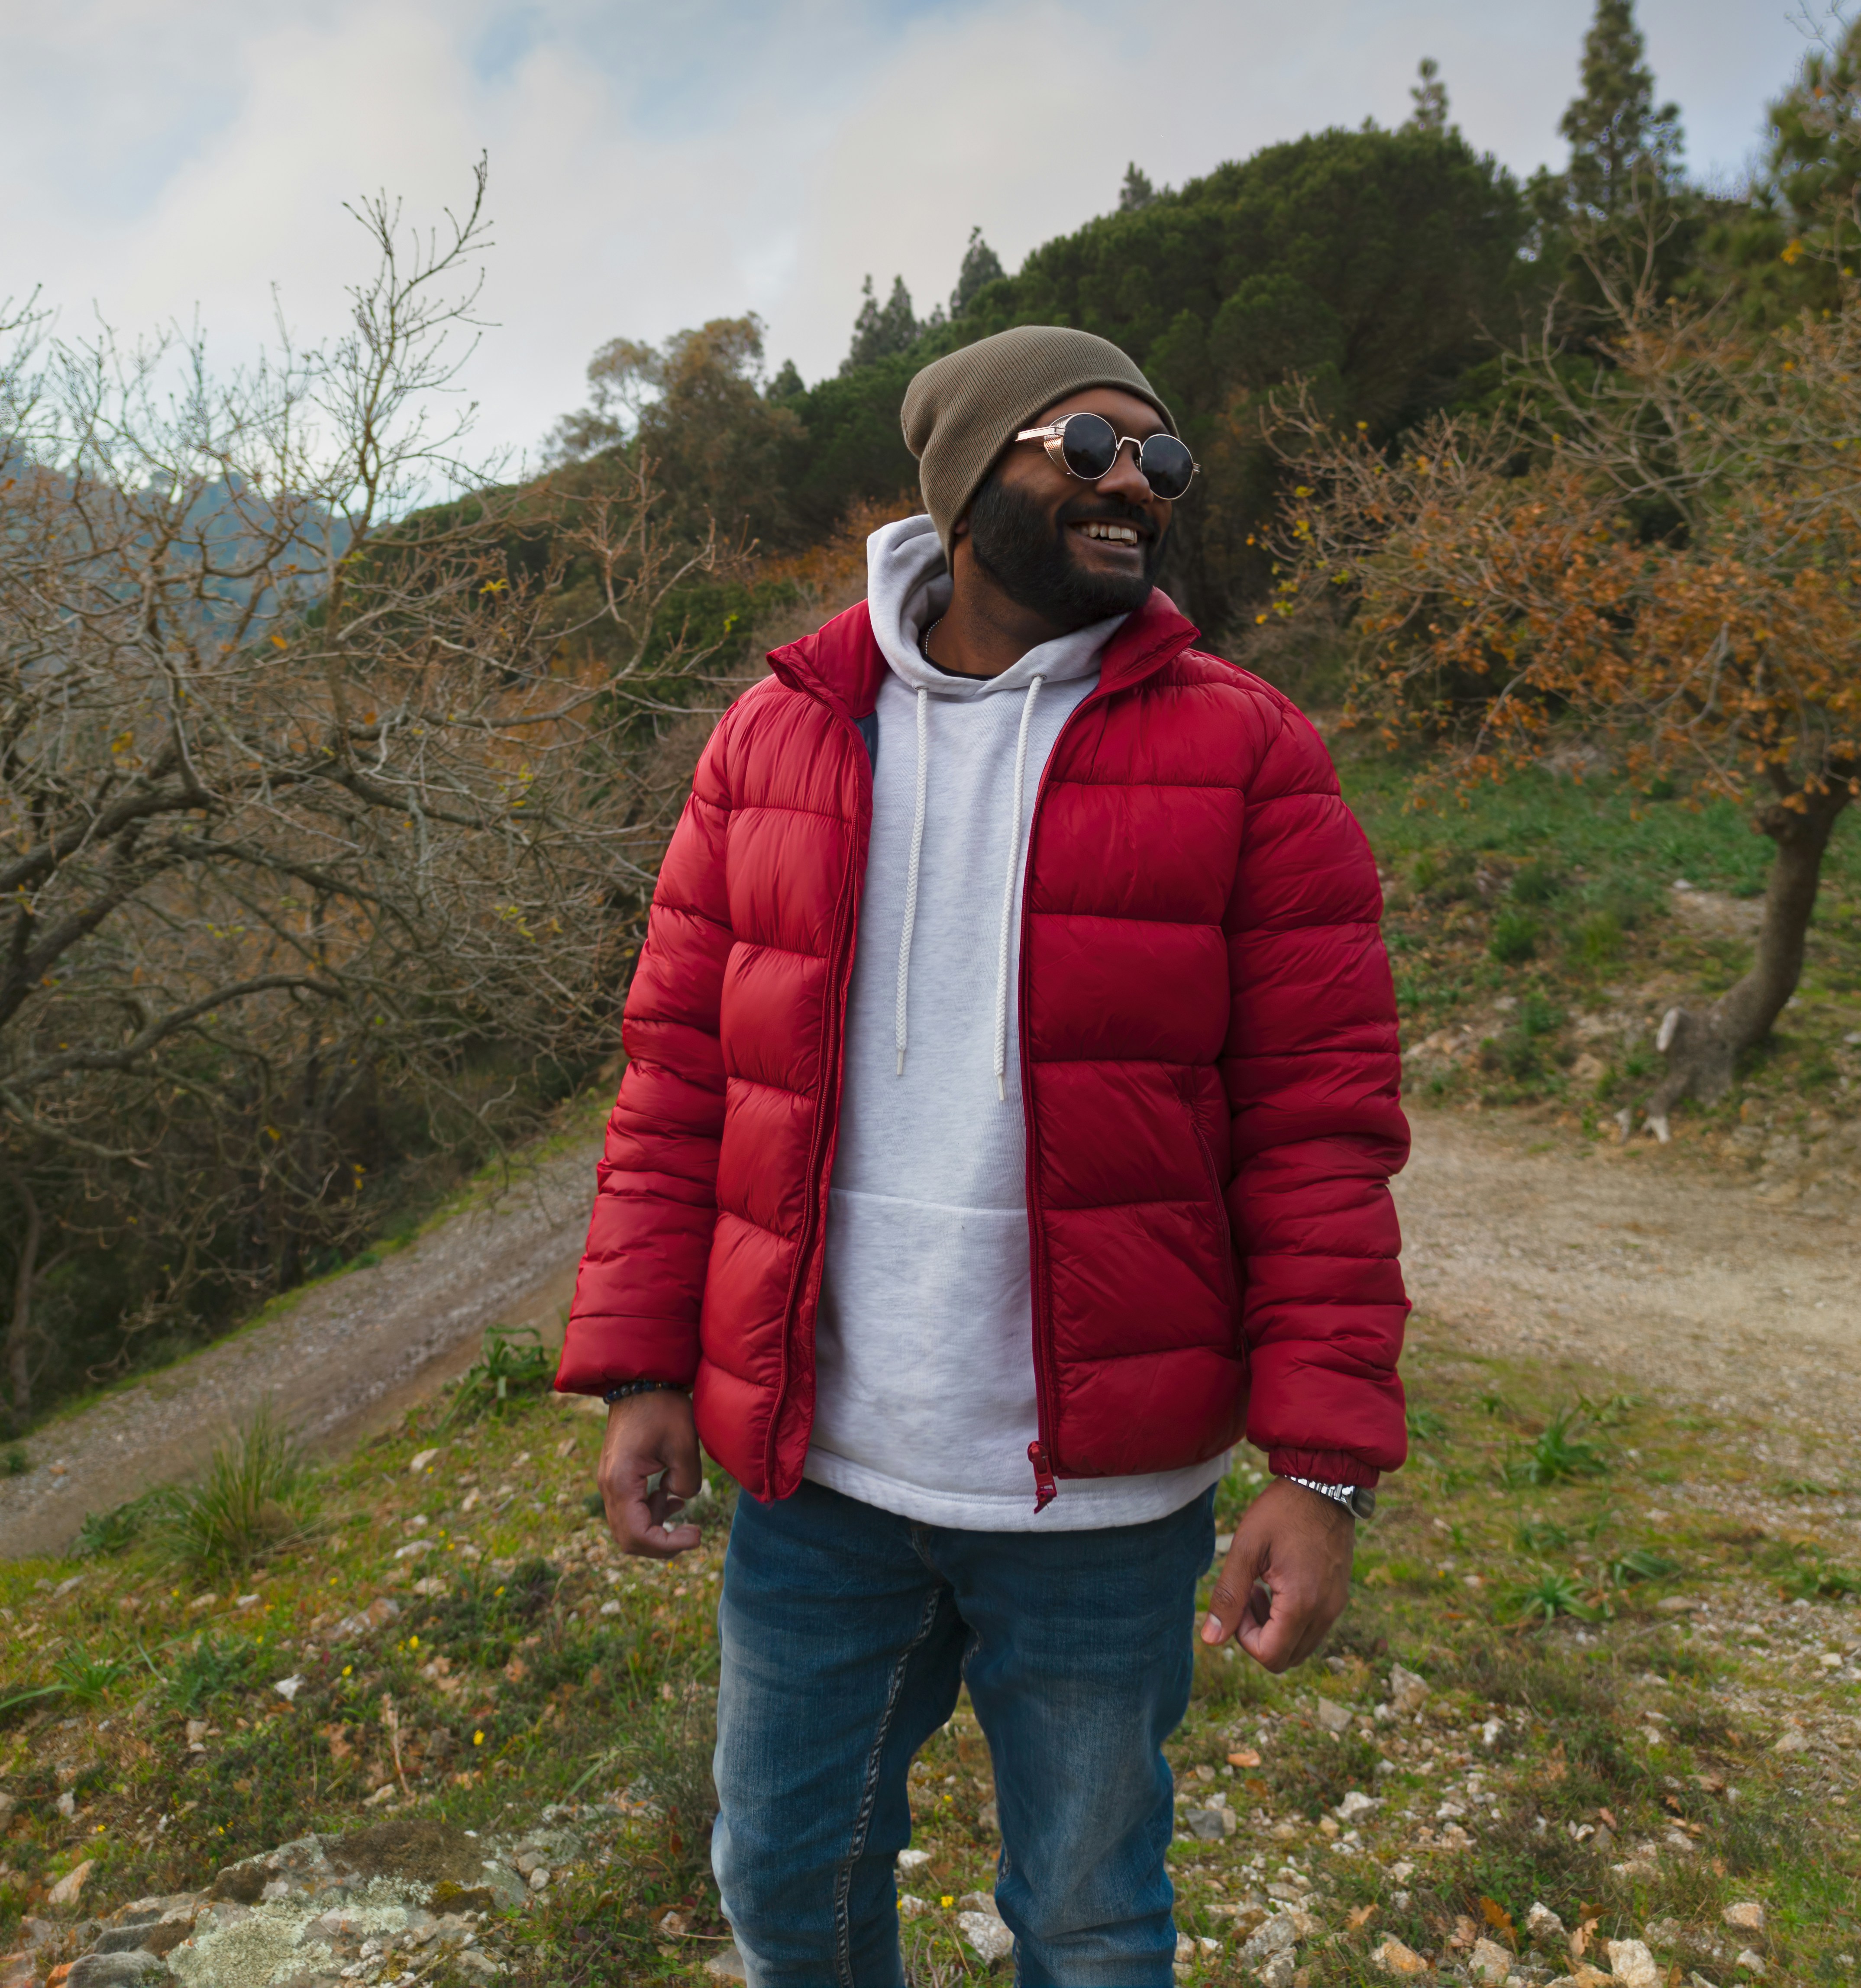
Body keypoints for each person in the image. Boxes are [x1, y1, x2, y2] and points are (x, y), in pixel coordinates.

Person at [556, 323, 1410, 1988]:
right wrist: (644, 1365)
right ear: (962, 482)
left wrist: (1322, 1474)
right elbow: (677, 1082)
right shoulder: (774, 740)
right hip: (822, 1479)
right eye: (1086, 447)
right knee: (785, 1886)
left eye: (1161, 465)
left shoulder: (1253, 757)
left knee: (1090, 1920)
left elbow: (1321, 1134)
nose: (1133, 488)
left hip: (1104, 1502)